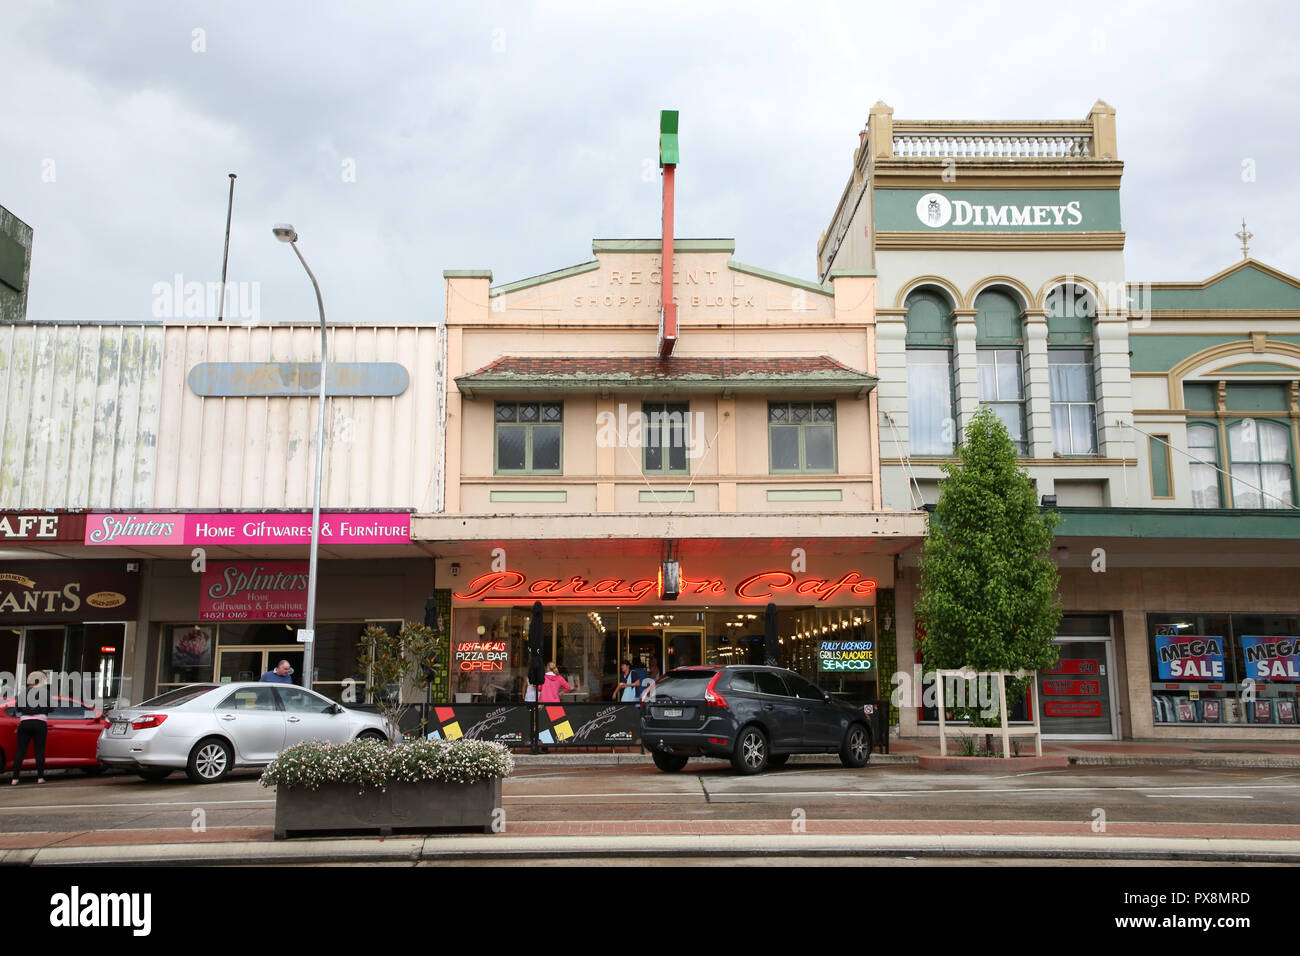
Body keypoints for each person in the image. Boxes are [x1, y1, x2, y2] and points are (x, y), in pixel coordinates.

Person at [11, 672, 52, 785]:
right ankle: (40, 778)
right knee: (39, 751)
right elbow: (52, 708)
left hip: (24, 722)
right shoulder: (45, 692)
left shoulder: (23, 693)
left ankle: (15, 779)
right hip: (40, 723)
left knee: (20, 751)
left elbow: (18, 708)